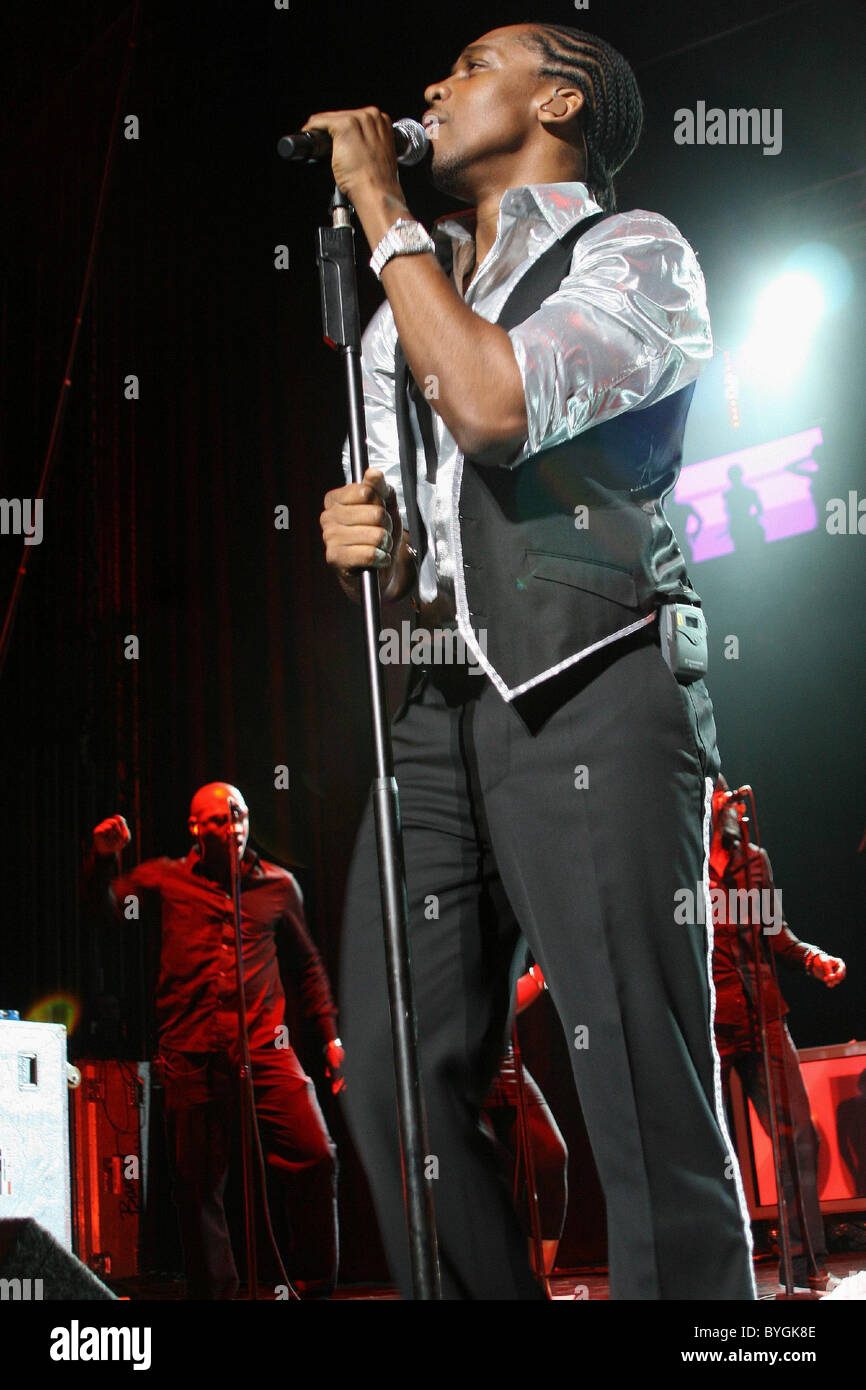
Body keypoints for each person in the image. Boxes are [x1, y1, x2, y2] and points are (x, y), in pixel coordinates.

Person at [315, 22, 755, 1298]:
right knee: (396, 1079)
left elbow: (502, 408)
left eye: (468, 63)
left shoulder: (634, 251)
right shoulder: (412, 303)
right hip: (437, 713)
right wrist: (365, 537)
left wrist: (383, 211)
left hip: (596, 680)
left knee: (631, 1072)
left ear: (557, 98)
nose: (432, 86)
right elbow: (407, 542)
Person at [86, 781, 342, 1300]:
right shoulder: (165, 878)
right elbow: (108, 909)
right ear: (197, 829)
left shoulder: (279, 886)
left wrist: (331, 1038)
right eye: (221, 821)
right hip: (190, 1053)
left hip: (265, 1047)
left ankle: (315, 1288)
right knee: (198, 1189)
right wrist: (102, 859)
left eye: (241, 816)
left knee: (316, 1155)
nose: (235, 828)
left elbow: (309, 964)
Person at [709, 778, 847, 1293]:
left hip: (763, 1015)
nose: (728, 803)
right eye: (717, 796)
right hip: (710, 1025)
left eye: (728, 796)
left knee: (797, 1137)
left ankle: (803, 1266)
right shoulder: (681, 864)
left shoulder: (753, 861)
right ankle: (722, 1271)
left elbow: (774, 933)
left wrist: (812, 958)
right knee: (713, 1151)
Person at [481, 964, 568, 1282]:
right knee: (476, 1172)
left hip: (498, 1055)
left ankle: (535, 1282)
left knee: (548, 1155)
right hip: (447, 1059)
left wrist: (540, 975)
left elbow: (500, 999)